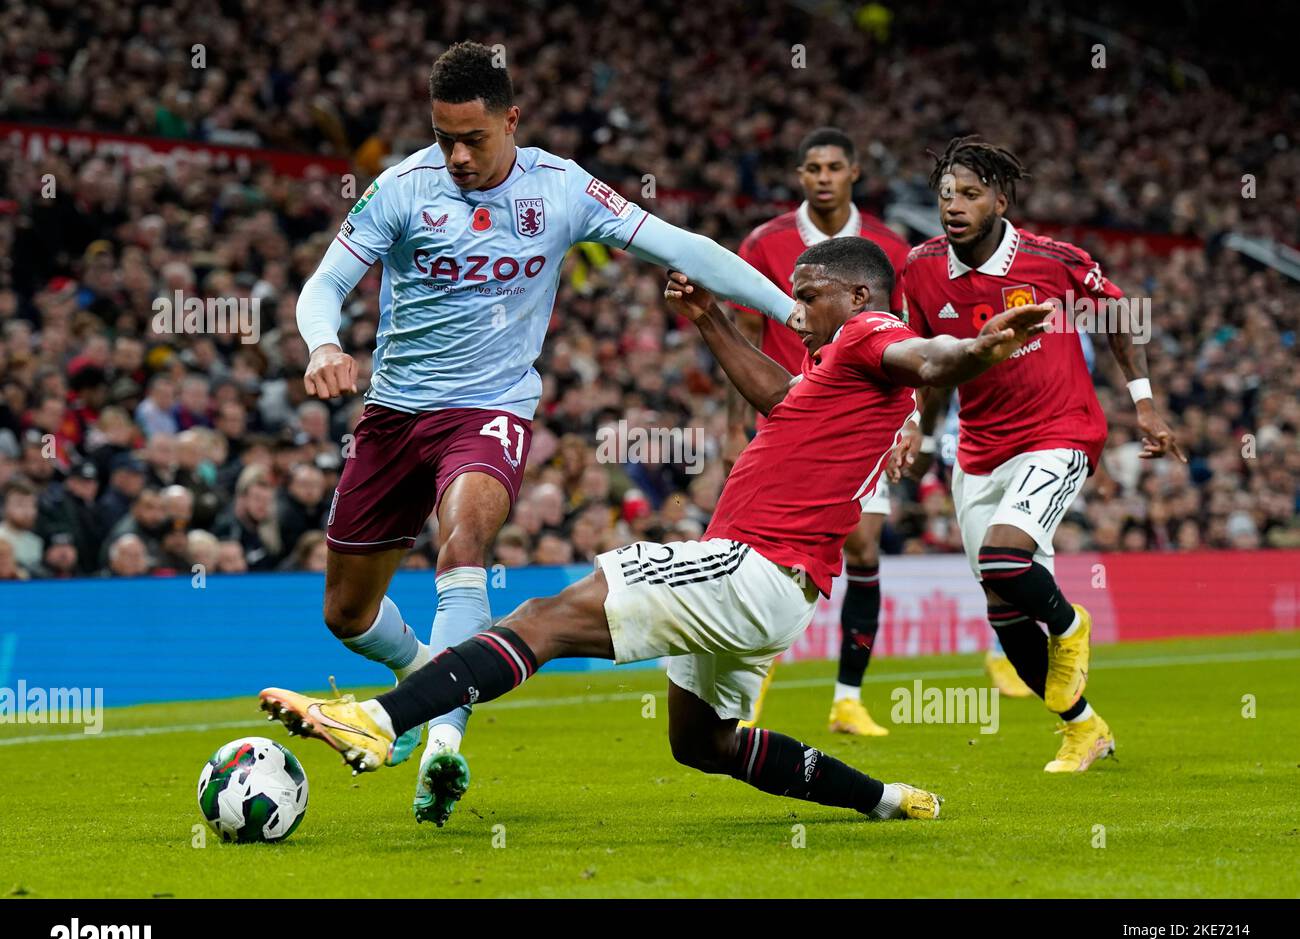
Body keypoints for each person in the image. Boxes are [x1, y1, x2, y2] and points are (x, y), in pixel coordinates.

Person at [260, 238, 1055, 823]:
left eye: (807, 297)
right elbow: (780, 398)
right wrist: (710, 318)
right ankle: (885, 799)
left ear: (855, 295)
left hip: (749, 565)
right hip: (780, 592)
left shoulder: (869, 331)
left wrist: (977, 349)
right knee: (703, 744)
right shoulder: (838, 374)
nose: (797, 312)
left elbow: (929, 357)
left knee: (543, 619)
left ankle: (375, 722)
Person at [294, 41, 808, 827]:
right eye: (444, 139)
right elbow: (325, 284)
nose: (458, 157)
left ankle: (440, 746)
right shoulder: (402, 188)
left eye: (474, 138)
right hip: (394, 415)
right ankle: (428, 675)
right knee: (345, 615)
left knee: (464, 543)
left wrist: (789, 310)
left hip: (490, 409)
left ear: (512, 119)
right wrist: (324, 346)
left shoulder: (561, 189)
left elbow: (682, 247)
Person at [892, 136, 1184, 772]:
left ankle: (1071, 626)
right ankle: (1083, 728)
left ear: (1000, 200)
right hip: (978, 449)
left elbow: (1120, 316)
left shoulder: (1052, 261)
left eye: (970, 194)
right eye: (946, 194)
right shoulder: (919, 268)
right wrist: (920, 430)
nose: (954, 206)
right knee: (1003, 606)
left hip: (1059, 430)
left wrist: (1143, 402)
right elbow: (928, 364)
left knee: (1003, 558)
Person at [730, 127, 912, 735]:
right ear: (801, 176)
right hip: (787, 418)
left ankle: (847, 699)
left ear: (854, 172)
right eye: (813, 168)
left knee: (863, 549)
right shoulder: (766, 242)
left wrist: (910, 419)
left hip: (861, 422)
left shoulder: (888, 246)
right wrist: (735, 428)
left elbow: (903, 339)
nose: (824, 177)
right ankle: (751, 682)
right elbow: (748, 332)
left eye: (835, 166)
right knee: (769, 553)